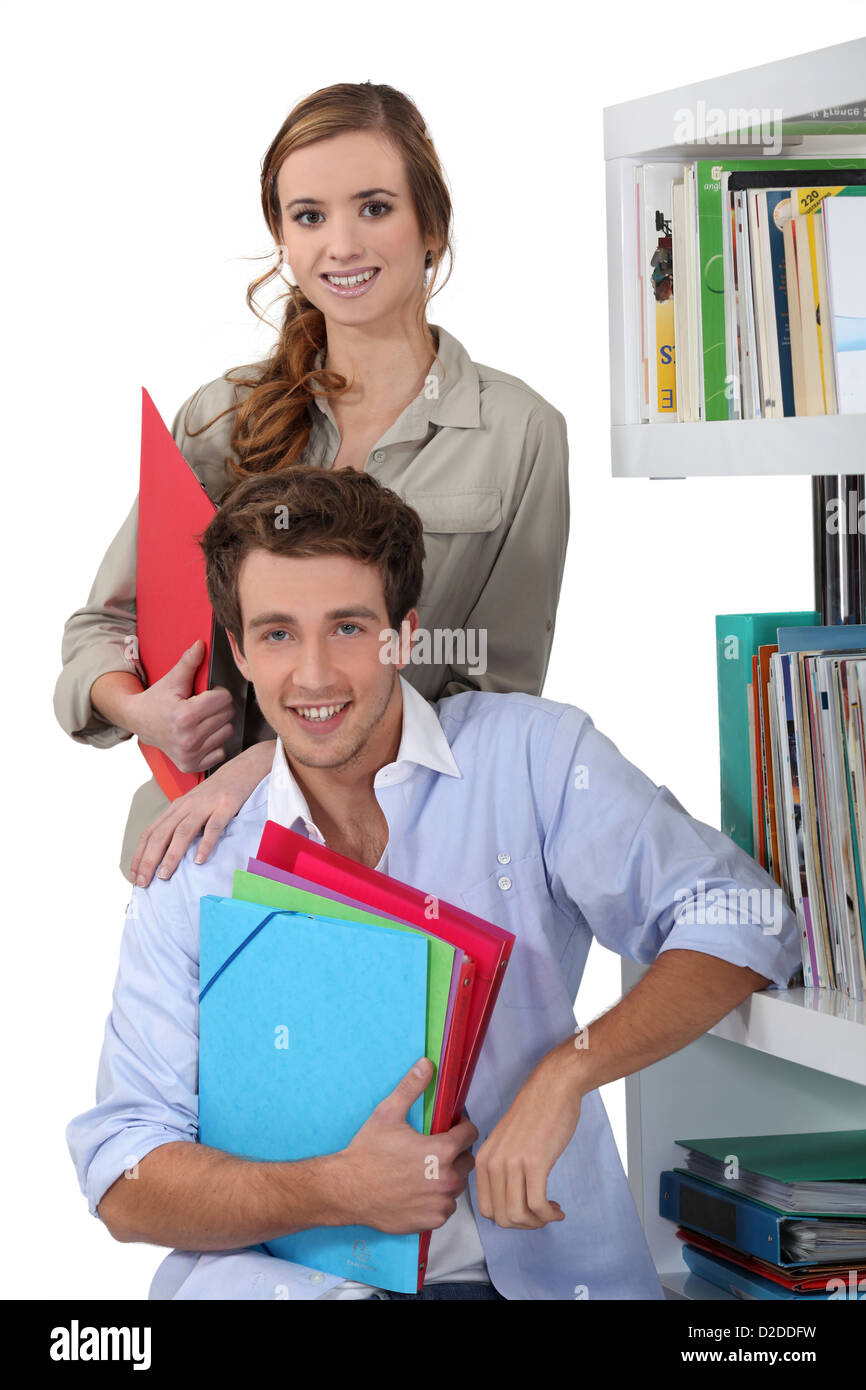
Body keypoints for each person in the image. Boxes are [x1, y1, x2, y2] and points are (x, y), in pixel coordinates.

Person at [67, 467, 801, 1301]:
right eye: (276, 634)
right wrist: (338, 1188)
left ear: (404, 635)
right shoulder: (193, 862)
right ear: (237, 651)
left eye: (347, 628)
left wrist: (569, 1070)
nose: (312, 677)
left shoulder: (533, 761)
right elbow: (124, 1176)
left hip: (539, 1277)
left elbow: (744, 916)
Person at [52, 80, 569, 888]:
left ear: (431, 224)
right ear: (281, 238)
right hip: (198, 855)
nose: (341, 246)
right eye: (309, 216)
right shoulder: (221, 417)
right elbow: (103, 630)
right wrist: (143, 710)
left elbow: (493, 695)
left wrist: (271, 763)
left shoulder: (520, 432)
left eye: (373, 207)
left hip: (398, 864)